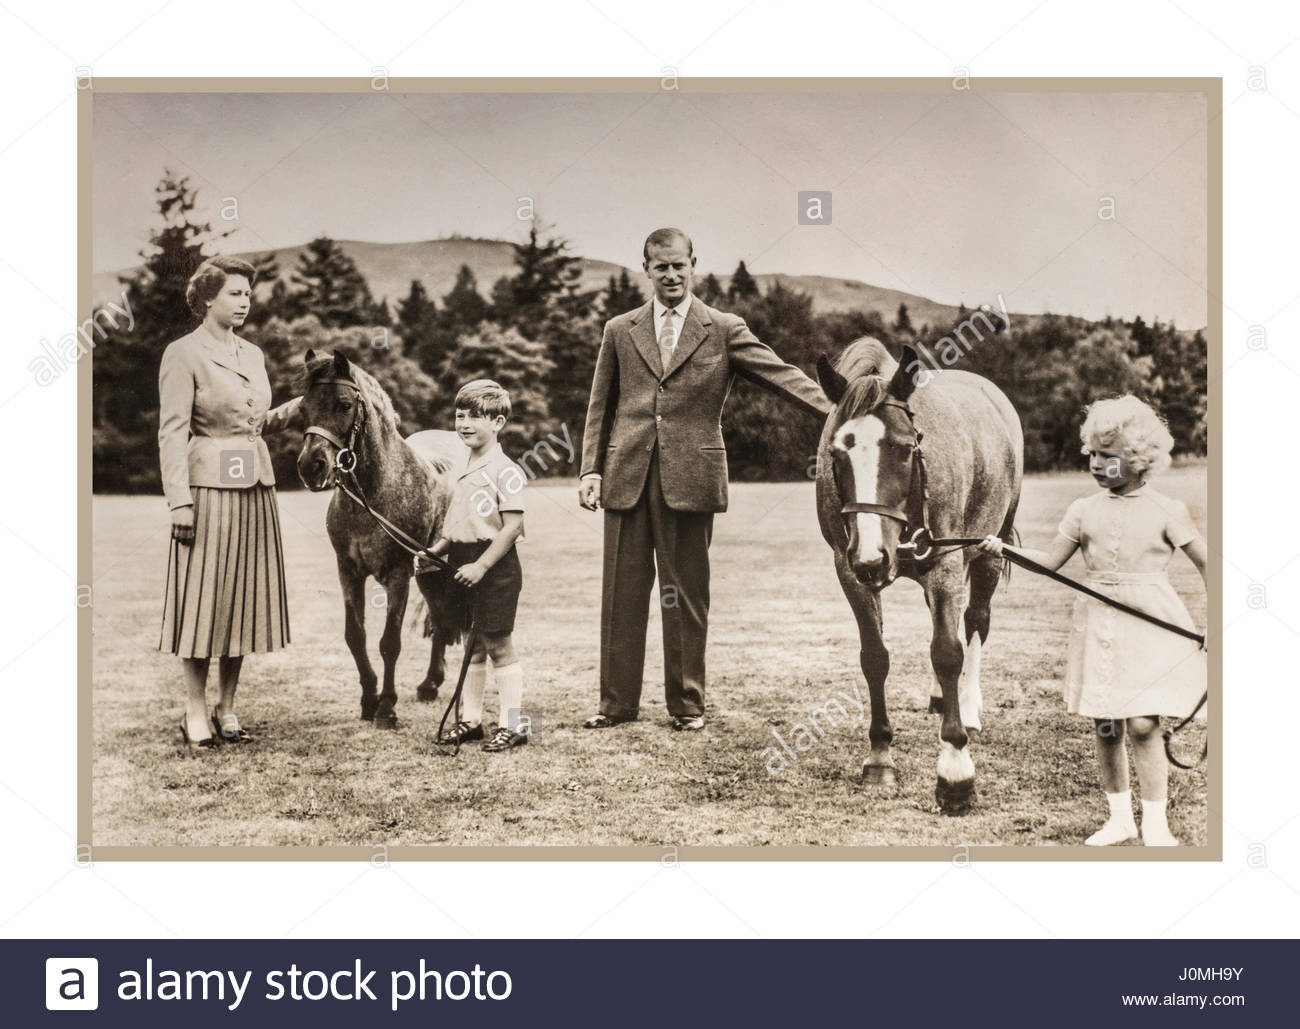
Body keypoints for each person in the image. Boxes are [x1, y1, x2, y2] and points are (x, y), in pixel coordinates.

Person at [578, 228, 832, 731]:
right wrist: (590, 468)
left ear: (694, 265)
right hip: (626, 475)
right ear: (645, 269)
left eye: (679, 266)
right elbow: (599, 405)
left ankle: (687, 705)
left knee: (685, 593)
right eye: (661, 267)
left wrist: (843, 411)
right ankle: (616, 705)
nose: (671, 275)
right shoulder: (618, 329)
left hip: (691, 477)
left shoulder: (722, 327)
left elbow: (782, 375)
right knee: (621, 594)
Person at [979, 395, 1208, 846]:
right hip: (1099, 621)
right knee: (1106, 722)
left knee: (1144, 723)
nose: (1097, 465)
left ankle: (1155, 825)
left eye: (1110, 457)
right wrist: (1003, 548)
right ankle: (1119, 818)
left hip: (1150, 622)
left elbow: (1209, 566)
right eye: (1093, 455)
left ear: (1140, 461)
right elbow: (1049, 562)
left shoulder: (1166, 509)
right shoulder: (1083, 510)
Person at [158, 255, 301, 750]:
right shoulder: (183, 353)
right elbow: (172, 433)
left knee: (244, 598)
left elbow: (255, 424)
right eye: (235, 293)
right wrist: (179, 502)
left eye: (247, 294)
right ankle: (195, 711)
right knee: (203, 600)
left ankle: (228, 707)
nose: (245, 301)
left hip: (254, 489)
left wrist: (303, 406)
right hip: (206, 493)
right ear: (208, 297)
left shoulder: (254, 355)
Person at [416, 380, 529, 752]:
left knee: (498, 644)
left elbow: (511, 527)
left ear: (497, 422)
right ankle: (472, 721)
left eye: (475, 417)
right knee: (470, 647)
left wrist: (481, 566)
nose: (463, 423)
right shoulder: (465, 467)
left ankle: (514, 726)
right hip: (462, 562)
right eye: (459, 415)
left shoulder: (506, 469)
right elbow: (459, 524)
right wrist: (436, 550)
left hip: (493, 565)